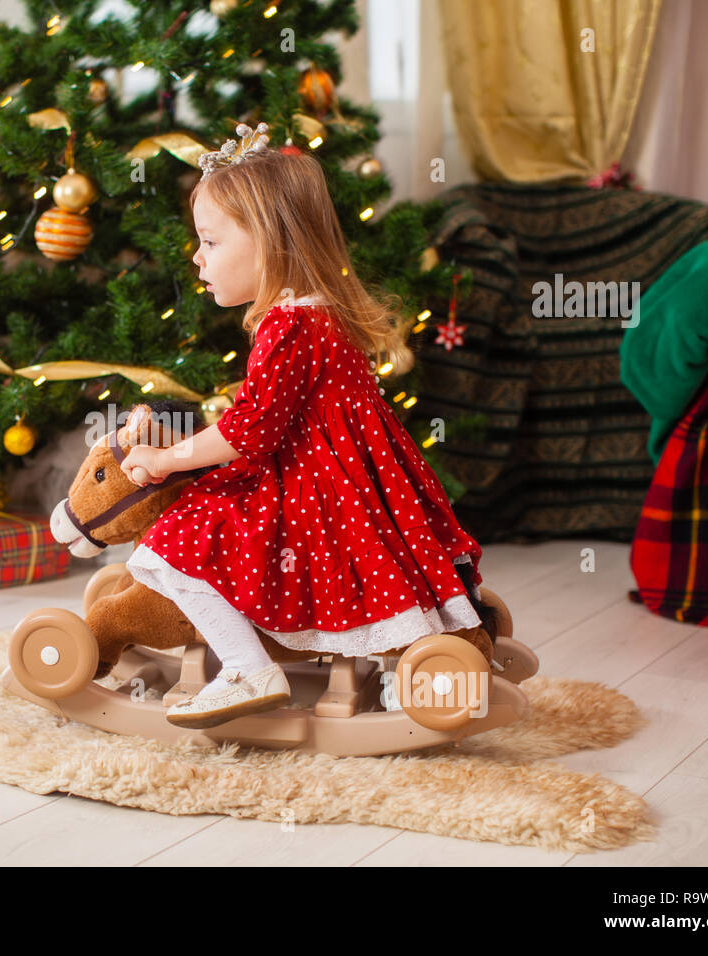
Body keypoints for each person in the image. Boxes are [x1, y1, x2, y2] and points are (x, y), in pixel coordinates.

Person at [119, 122, 489, 730]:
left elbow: (248, 431)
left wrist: (165, 460)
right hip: (341, 482)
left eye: (209, 241)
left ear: (268, 243)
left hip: (317, 491)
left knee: (177, 538)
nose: (197, 256)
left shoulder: (289, 325)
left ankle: (247, 668)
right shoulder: (317, 315)